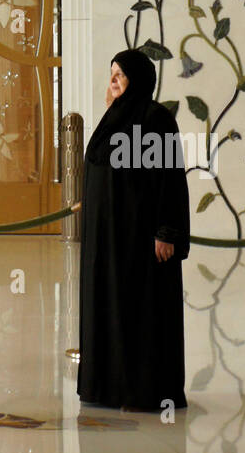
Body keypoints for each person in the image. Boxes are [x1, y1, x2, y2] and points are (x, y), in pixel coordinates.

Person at [77, 47, 190, 412]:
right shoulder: (113, 117)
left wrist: (167, 231)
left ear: (138, 80)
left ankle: (145, 390)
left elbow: (169, 180)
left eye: (120, 75)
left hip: (141, 240)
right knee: (109, 305)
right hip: (107, 240)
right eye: (111, 73)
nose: (112, 81)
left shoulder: (156, 119)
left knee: (142, 310)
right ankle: (108, 387)